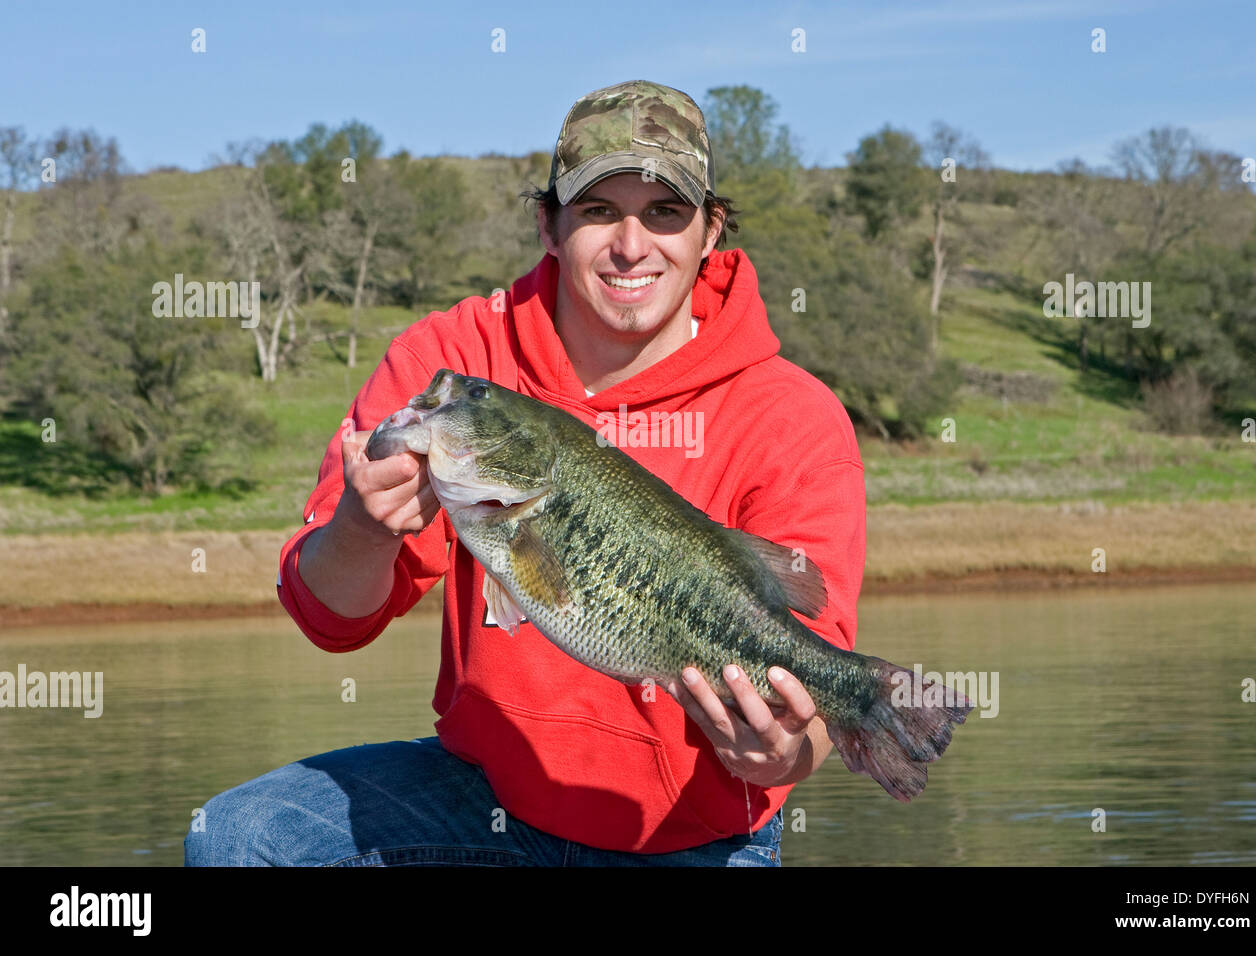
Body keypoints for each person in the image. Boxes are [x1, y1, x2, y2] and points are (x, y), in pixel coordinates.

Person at [185, 80, 866, 867]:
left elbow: (812, 694)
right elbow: (330, 618)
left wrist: (778, 753)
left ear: (711, 230)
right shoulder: (456, 366)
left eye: (665, 213)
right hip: (486, 804)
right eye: (599, 211)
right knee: (239, 840)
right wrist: (362, 529)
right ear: (548, 224)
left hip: (692, 837)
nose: (632, 245)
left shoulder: (792, 415)